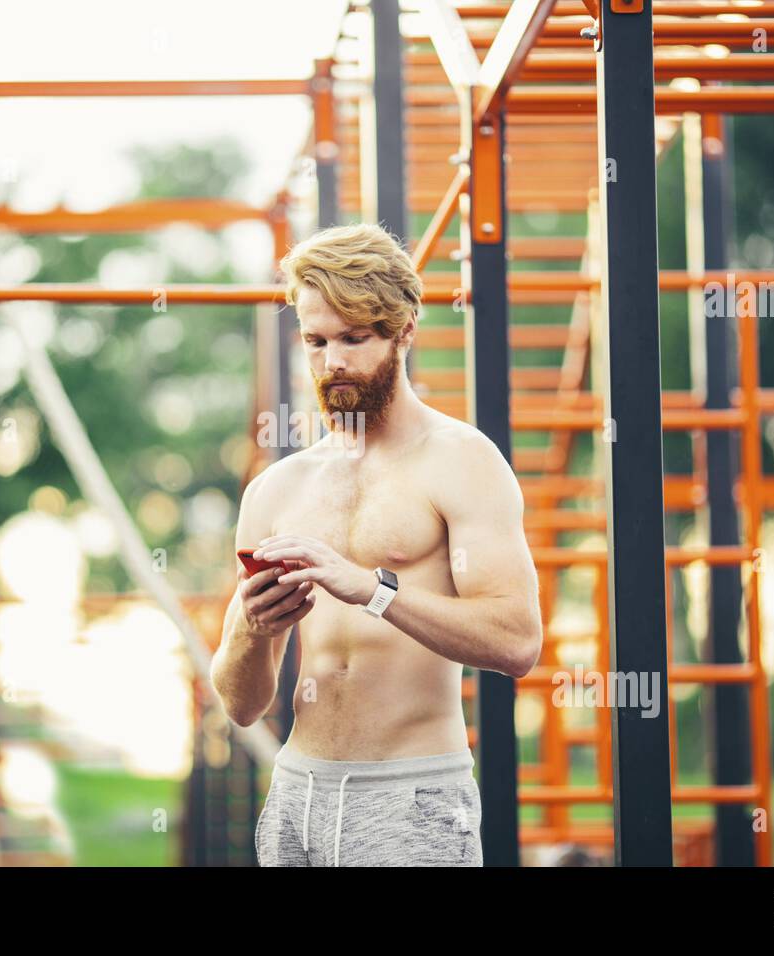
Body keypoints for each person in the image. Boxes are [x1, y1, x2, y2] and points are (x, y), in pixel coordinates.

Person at [210, 223, 543, 866]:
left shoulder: (463, 461)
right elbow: (241, 703)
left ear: (405, 330)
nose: (332, 361)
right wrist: (252, 629)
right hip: (297, 796)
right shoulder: (276, 490)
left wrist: (373, 589)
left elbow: (517, 641)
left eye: (355, 338)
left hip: (411, 798)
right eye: (316, 341)